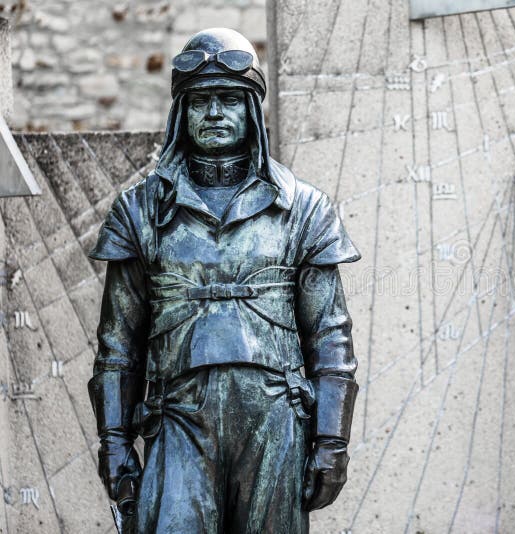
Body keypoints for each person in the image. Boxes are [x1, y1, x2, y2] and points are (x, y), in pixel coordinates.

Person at [87, 27, 360, 533]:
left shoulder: (303, 209)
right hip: (178, 420)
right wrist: (116, 442)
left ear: (251, 110)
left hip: (275, 420)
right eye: (201, 101)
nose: (214, 113)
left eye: (229, 100)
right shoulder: (140, 212)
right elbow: (118, 344)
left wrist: (331, 441)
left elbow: (329, 336)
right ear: (181, 114)